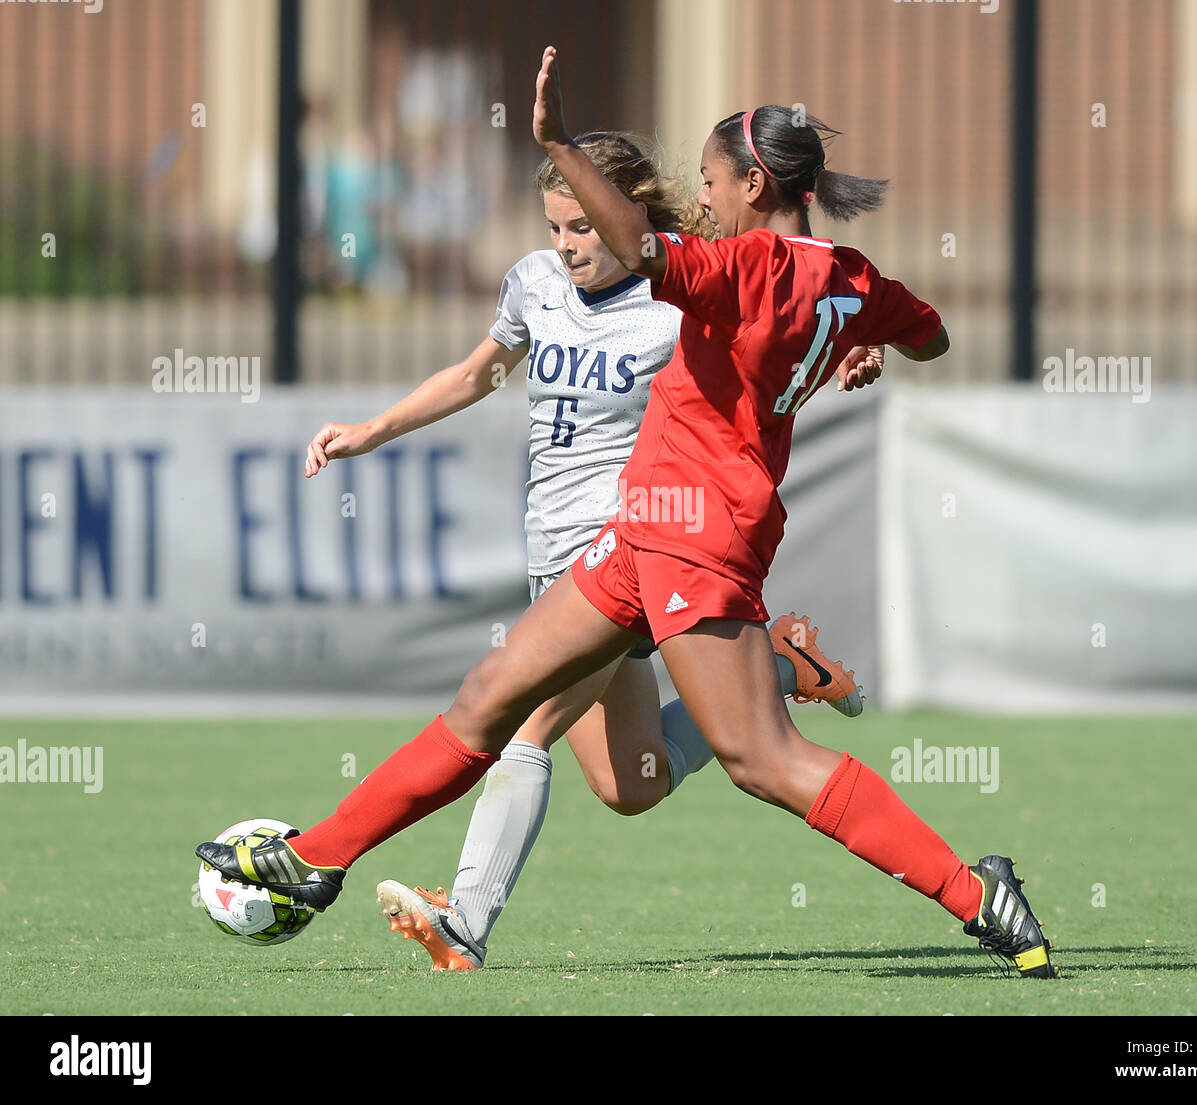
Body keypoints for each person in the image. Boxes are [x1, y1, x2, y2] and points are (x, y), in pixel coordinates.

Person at [199, 47, 1057, 979]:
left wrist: (558, 141)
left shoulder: (751, 265)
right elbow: (928, 336)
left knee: (763, 759)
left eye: (715, 180)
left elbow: (646, 251)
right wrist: (847, 345)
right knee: (495, 703)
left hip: (697, 535)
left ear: (757, 181)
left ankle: (978, 894)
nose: (707, 196)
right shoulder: (847, 276)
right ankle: (318, 857)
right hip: (642, 527)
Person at [295, 131, 863, 969]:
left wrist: (851, 348)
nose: (565, 245)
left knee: (524, 725)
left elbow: (784, 324)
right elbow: (474, 375)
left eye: (581, 228)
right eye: (555, 226)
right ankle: (783, 664)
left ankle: (465, 921)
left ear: (619, 216)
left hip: (629, 551)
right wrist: (371, 430)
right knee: (630, 782)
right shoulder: (533, 284)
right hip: (551, 556)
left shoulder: (678, 299)